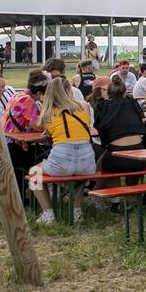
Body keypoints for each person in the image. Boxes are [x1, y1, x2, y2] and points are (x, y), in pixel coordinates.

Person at [30, 77, 96, 225]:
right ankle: (76, 211)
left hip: (61, 159)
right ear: (67, 90)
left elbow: (49, 132)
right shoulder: (83, 106)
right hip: (87, 161)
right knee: (78, 176)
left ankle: (48, 212)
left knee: (34, 173)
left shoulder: (47, 113)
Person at [92, 76, 146, 176]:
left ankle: (101, 189)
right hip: (139, 157)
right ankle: (133, 191)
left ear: (108, 92)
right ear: (125, 92)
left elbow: (99, 132)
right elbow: (143, 122)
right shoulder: (131, 103)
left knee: (101, 169)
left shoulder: (103, 106)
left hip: (116, 157)